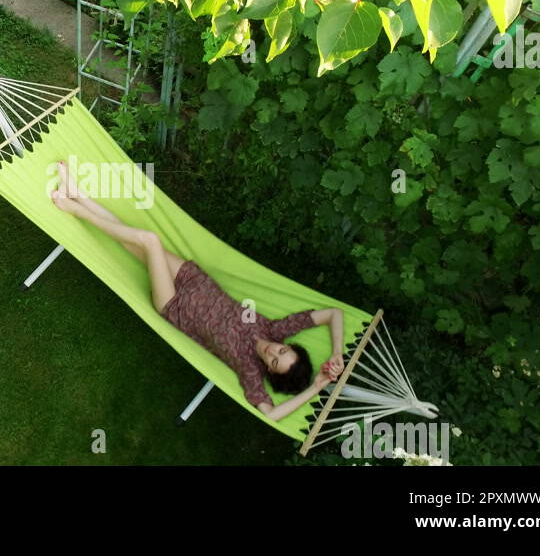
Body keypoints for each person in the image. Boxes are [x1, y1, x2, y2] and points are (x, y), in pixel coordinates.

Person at [50, 160, 345, 421]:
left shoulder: (249, 371)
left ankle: (74, 208)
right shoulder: (276, 328)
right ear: (288, 344)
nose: (273, 352)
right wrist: (336, 353)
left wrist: (318, 387)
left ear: (269, 370)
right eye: (282, 351)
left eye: (275, 361)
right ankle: (78, 195)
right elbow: (334, 313)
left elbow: (273, 414)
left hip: (175, 305)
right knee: (134, 240)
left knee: (149, 240)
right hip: (194, 279)